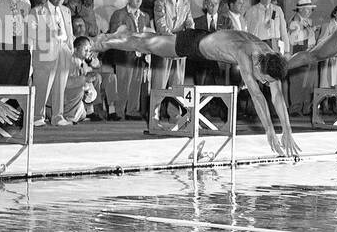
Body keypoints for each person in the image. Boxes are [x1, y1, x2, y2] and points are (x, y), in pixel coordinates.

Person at [95, 24, 302, 158]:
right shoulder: (245, 53)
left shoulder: (269, 57)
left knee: (152, 41)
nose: (264, 83)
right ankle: (108, 41)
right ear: (258, 66)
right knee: (147, 45)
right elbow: (257, 95)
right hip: (194, 44)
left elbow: (277, 95)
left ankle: (123, 34)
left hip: (209, 40)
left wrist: (287, 129)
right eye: (264, 79)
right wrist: (269, 130)